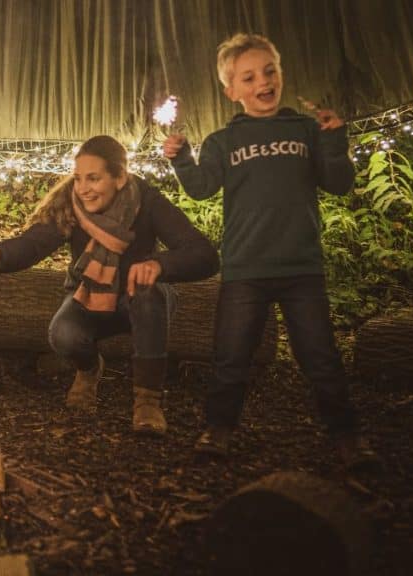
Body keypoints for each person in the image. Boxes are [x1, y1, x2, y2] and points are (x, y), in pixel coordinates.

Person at [163, 33, 378, 468]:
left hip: (302, 268)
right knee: (231, 356)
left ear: (279, 74)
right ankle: (218, 431)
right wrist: (181, 158)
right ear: (232, 90)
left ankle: (347, 439)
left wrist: (336, 141)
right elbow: (202, 189)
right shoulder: (224, 141)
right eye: (249, 76)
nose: (263, 81)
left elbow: (339, 183)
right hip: (245, 270)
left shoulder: (304, 129)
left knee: (321, 357)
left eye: (269, 71)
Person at [0, 136, 218, 435]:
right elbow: (36, 242)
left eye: (94, 178)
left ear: (120, 177)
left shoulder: (147, 201)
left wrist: (160, 264)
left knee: (148, 296)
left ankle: (148, 402)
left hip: (141, 300)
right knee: (63, 334)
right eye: (78, 178)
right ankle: (88, 370)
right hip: (90, 298)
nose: (83, 188)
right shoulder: (72, 205)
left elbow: (204, 255)